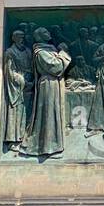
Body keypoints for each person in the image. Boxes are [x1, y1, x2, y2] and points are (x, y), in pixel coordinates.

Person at [21, 28, 72, 158]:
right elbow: (56, 67)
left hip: (54, 84)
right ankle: (48, 148)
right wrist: (64, 53)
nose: (48, 33)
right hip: (48, 85)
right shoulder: (41, 52)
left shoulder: (49, 49)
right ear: (39, 36)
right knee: (49, 114)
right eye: (45, 32)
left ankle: (54, 145)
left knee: (54, 113)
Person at [2, 27, 33, 151]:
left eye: (23, 37)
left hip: (28, 85)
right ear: (13, 39)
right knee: (16, 111)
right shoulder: (10, 52)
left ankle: (24, 137)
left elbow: (31, 66)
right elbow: (9, 71)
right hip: (16, 86)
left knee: (27, 112)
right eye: (19, 37)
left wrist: (31, 80)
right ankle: (13, 141)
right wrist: (21, 80)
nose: (22, 39)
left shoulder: (28, 51)